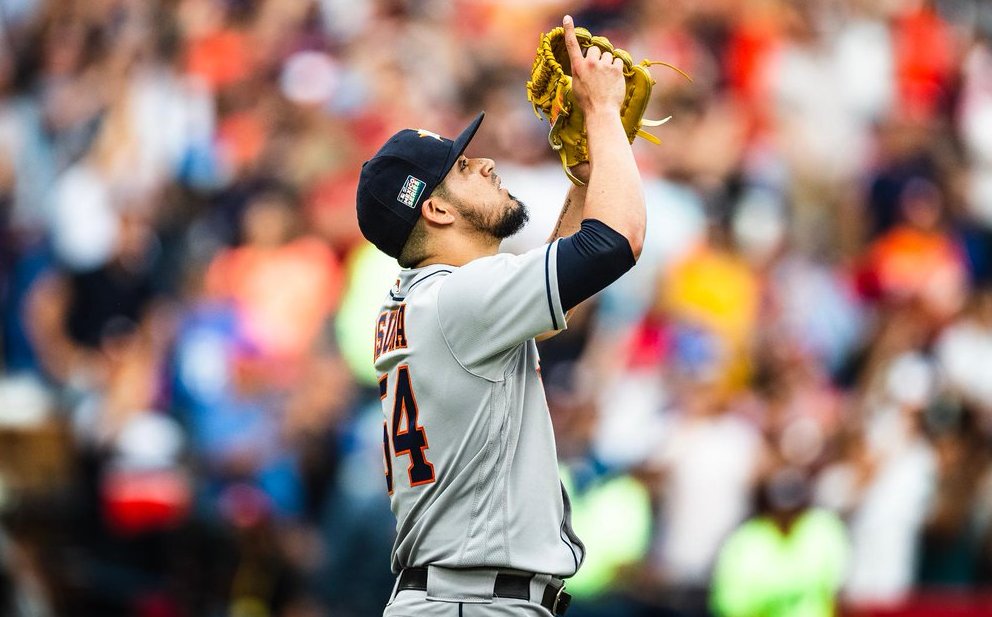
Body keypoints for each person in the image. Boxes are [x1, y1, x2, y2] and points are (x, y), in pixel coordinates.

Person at [355, 15, 647, 617]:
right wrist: (602, 114)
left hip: (456, 597)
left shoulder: (427, 299)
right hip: (474, 600)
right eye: (462, 167)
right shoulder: (458, 300)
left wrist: (587, 175)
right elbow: (619, 240)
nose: (485, 163)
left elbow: (545, 308)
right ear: (434, 209)